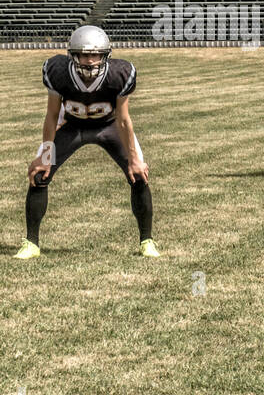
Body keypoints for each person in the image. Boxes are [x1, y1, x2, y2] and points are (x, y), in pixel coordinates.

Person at [16, 25, 158, 259]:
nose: (90, 60)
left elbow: (123, 120)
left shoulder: (119, 74)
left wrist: (134, 159)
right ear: (73, 55)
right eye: (84, 54)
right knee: (40, 175)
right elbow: (52, 115)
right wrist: (45, 156)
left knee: (139, 174)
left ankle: (147, 241)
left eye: (95, 55)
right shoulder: (57, 71)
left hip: (109, 126)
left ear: (105, 56)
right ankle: (31, 243)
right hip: (71, 126)